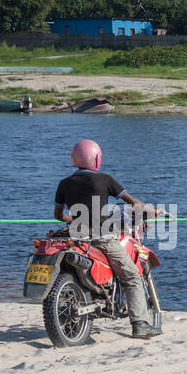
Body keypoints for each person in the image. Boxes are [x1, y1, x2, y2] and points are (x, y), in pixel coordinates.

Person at [53, 139, 162, 339]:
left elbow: (58, 215)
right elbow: (133, 202)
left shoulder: (64, 183)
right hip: (102, 237)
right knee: (131, 276)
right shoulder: (104, 179)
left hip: (77, 237)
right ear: (96, 158)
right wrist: (152, 211)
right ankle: (139, 324)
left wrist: (76, 220)